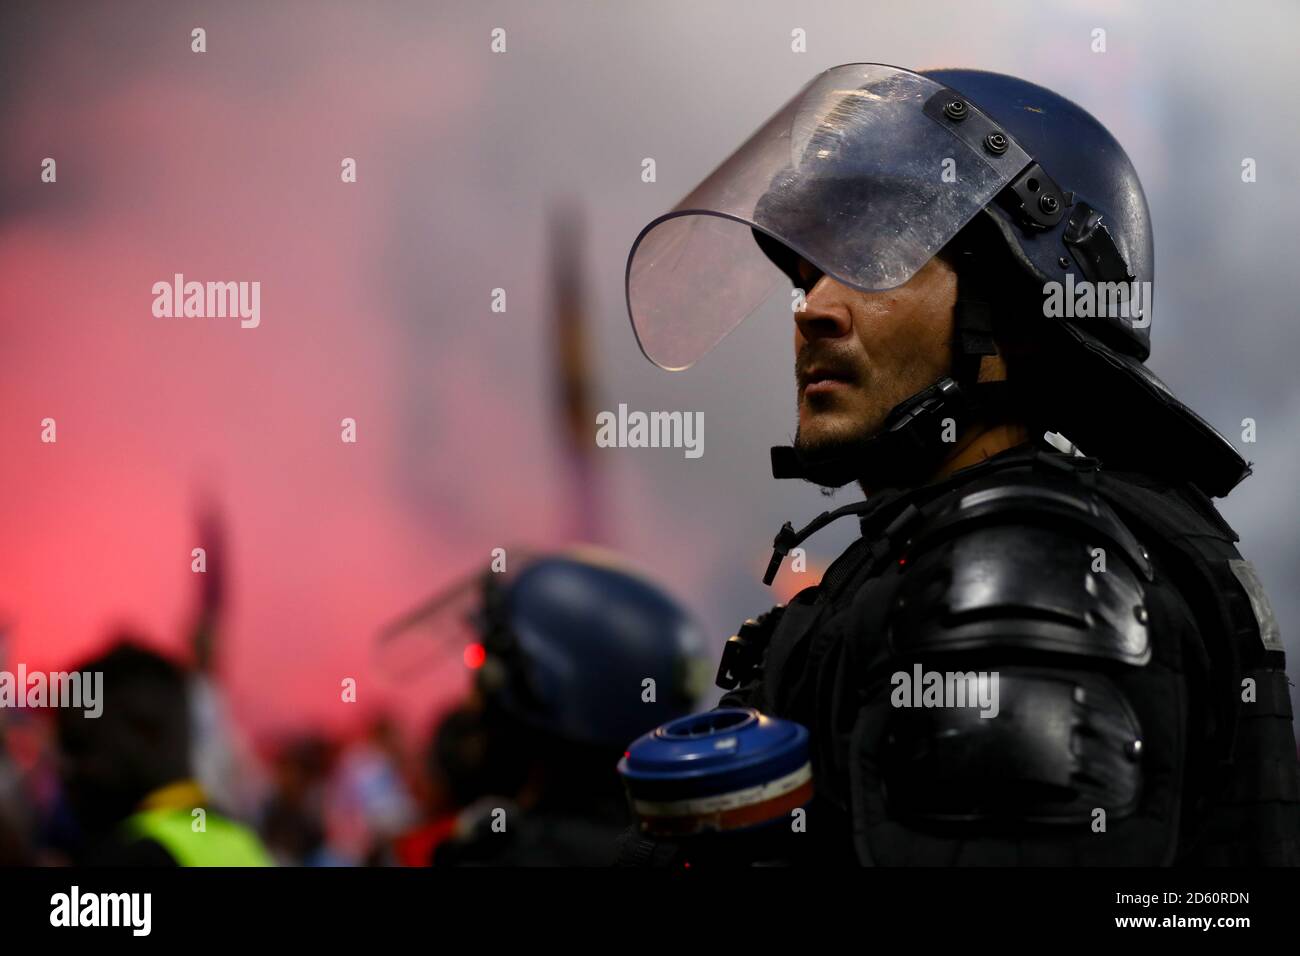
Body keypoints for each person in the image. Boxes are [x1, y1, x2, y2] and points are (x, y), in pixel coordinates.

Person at [622, 64, 1300, 865]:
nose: (813, 309)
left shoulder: (1022, 570)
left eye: (877, 258)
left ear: (1012, 313)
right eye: (808, 274)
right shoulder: (931, 549)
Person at [379, 549, 710, 865]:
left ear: (537, 695)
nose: (470, 705)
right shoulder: (692, 846)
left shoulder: (501, 855)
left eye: (484, 675)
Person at [55, 640, 273, 866]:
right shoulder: (242, 841)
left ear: (143, 731)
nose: (67, 770)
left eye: (78, 746)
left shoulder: (133, 856)